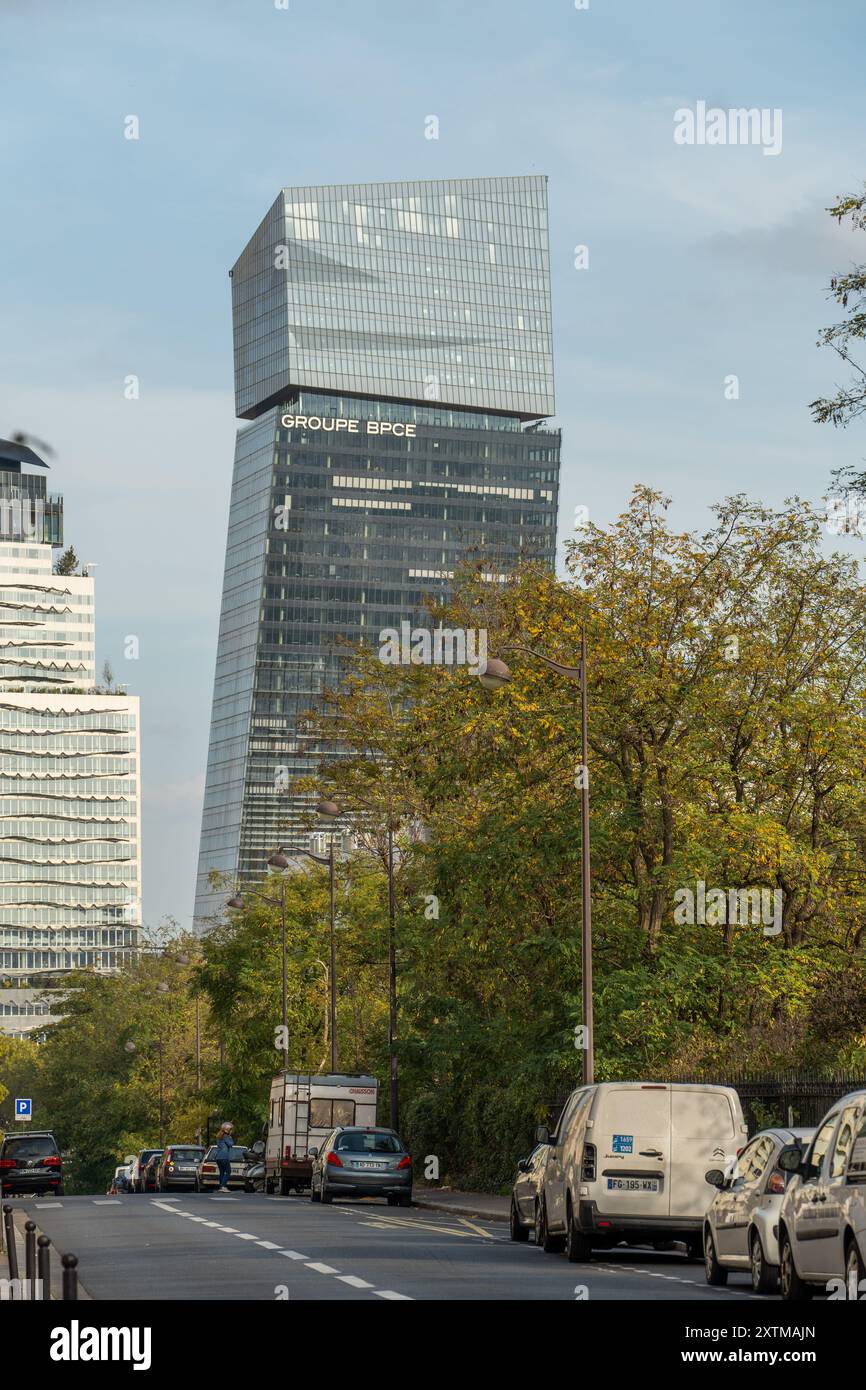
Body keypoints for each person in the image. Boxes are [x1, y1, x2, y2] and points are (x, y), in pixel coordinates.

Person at [215, 1122, 235, 1192]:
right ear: (228, 1130)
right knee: (228, 1171)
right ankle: (223, 1186)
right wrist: (230, 1138)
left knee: (222, 1172)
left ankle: (221, 1187)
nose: (231, 1131)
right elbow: (231, 1144)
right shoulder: (226, 1137)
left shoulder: (219, 1137)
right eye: (231, 1130)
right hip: (224, 1157)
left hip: (218, 1157)